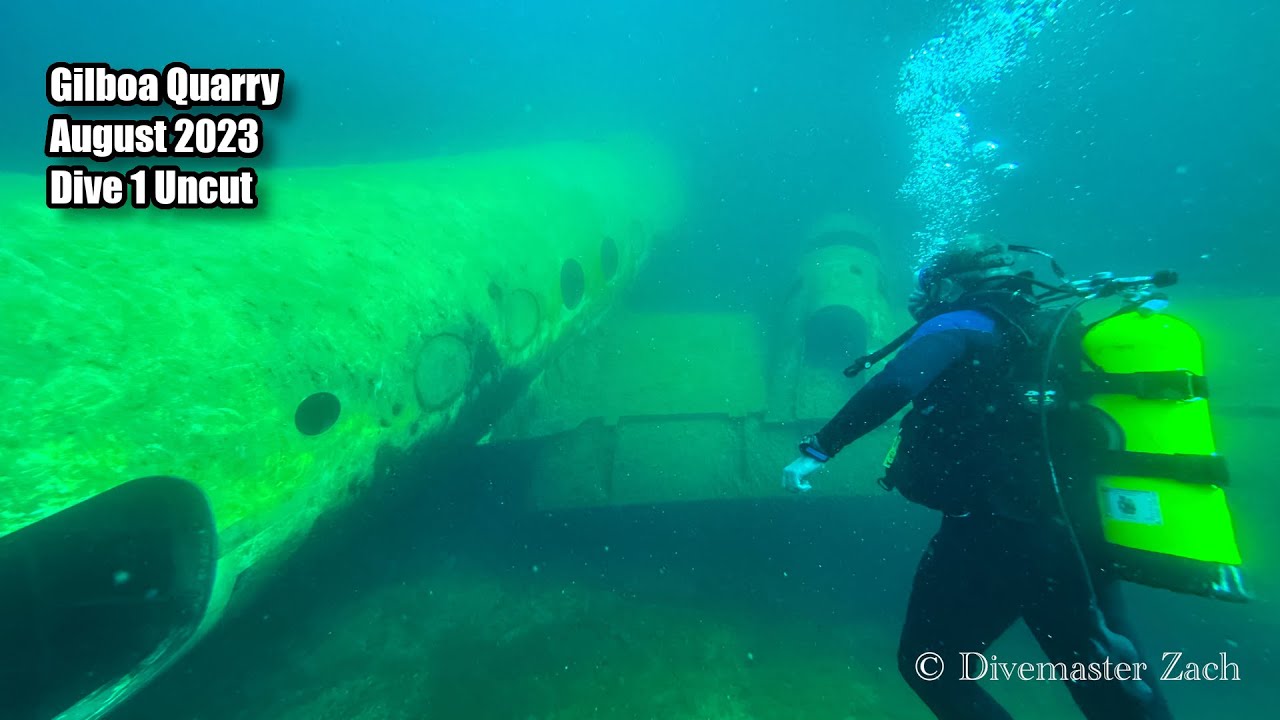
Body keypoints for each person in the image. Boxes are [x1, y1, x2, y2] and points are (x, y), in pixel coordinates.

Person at [781, 234, 1174, 720]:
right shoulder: (1053, 331)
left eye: (928, 286)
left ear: (949, 285)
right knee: (1108, 684)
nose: (919, 298)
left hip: (994, 530)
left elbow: (898, 382)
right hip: (1078, 531)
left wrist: (819, 449)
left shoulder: (959, 324)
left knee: (930, 666)